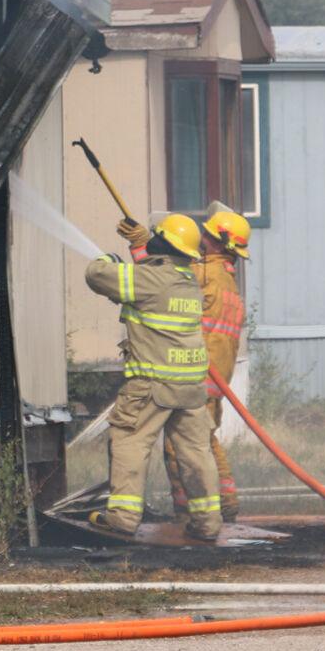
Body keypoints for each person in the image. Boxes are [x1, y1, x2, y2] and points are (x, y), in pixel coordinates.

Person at [84, 214, 222, 540]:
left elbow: (96, 275)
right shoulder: (188, 282)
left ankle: (121, 518)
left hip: (151, 385)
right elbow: (157, 268)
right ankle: (208, 523)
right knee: (196, 454)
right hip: (189, 387)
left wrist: (110, 259)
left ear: (162, 243)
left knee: (130, 441)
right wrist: (142, 241)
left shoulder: (148, 280)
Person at [161, 205, 250, 523]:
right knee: (204, 440)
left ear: (219, 243)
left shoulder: (204, 273)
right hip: (215, 377)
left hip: (197, 375)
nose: (203, 239)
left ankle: (192, 509)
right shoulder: (228, 282)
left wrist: (145, 246)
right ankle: (224, 502)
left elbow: (165, 281)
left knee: (182, 444)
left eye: (210, 235)